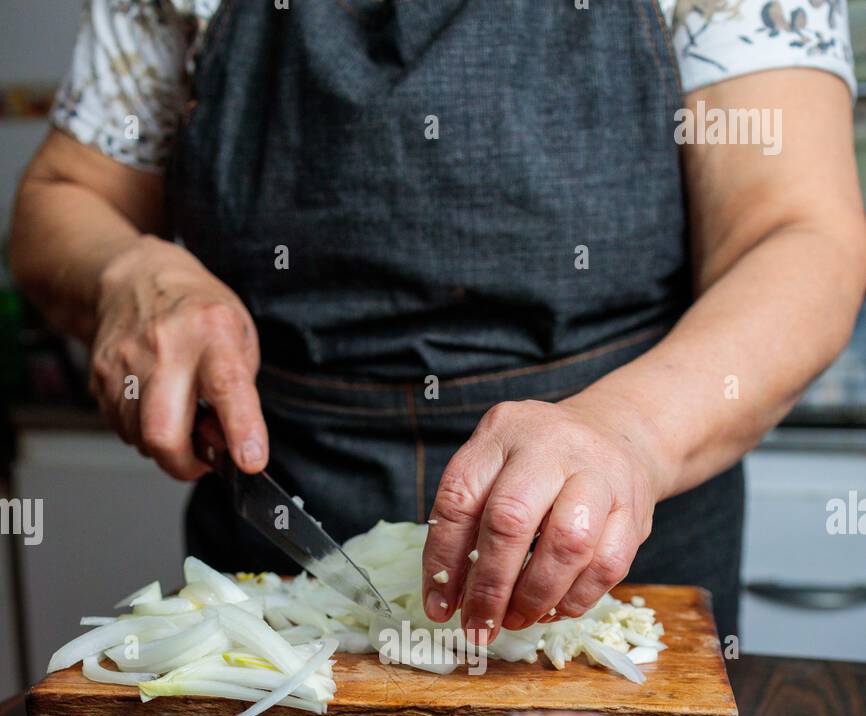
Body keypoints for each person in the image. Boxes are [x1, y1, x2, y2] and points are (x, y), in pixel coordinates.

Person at [10, 0, 866, 642]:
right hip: (278, 561)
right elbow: (63, 198)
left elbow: (800, 236)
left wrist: (631, 433)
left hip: (617, 565)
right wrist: (128, 271)